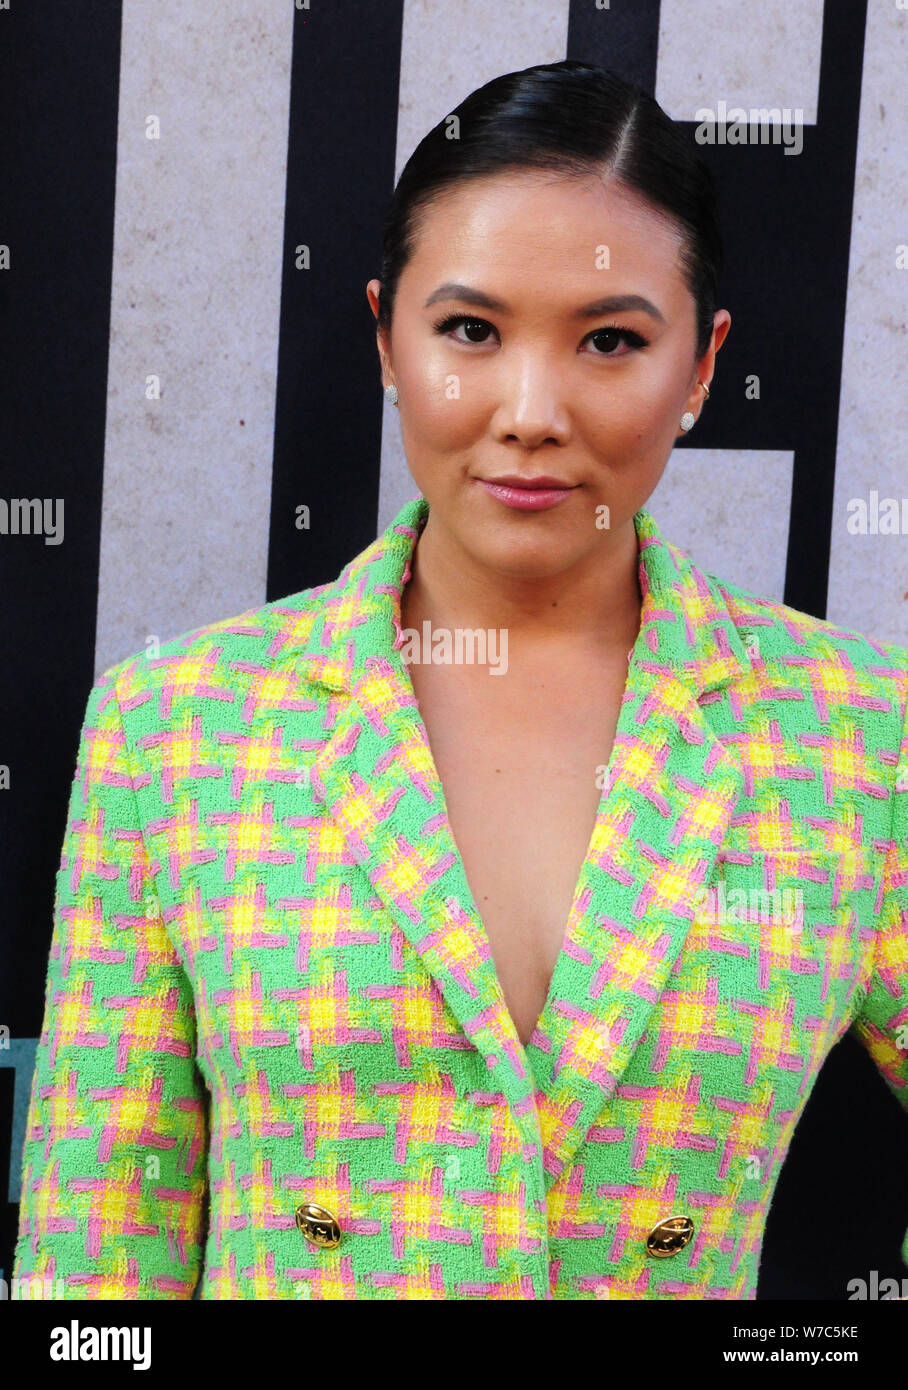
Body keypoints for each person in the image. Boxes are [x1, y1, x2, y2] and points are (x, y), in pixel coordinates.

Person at [13, 60, 908, 1302]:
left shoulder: (856, 739)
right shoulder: (180, 726)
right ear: (387, 338)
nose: (529, 410)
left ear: (700, 367)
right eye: (470, 331)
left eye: (608, 340)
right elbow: (95, 1259)